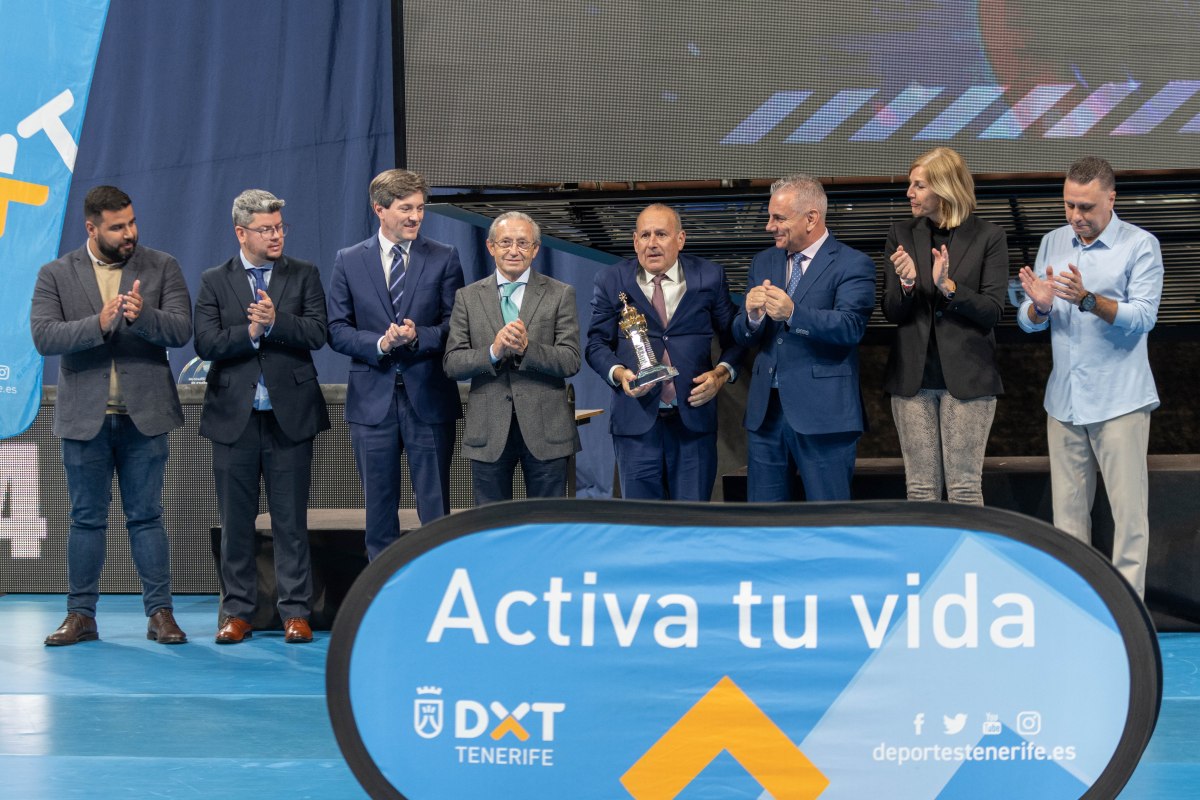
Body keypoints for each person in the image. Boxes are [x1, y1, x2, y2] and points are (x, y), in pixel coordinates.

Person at [30, 186, 191, 646]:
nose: (129, 233)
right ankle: (81, 615)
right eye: (117, 226)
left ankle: (160, 613)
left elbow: (182, 329)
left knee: (147, 517)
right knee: (85, 519)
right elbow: (44, 336)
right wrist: (98, 324)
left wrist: (144, 318)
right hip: (85, 418)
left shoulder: (162, 265)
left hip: (145, 417)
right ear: (91, 228)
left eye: (132, 223)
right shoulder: (56, 274)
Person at [1017, 156, 1162, 598]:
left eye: (1086, 207)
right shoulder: (1052, 243)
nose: (1076, 216)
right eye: (1069, 206)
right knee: (1067, 519)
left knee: (1129, 519)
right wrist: (1038, 308)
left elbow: (1144, 316)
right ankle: (1077, 607)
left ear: (1111, 200)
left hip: (1120, 401)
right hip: (1064, 402)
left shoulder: (1140, 245)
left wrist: (1087, 300)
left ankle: (1128, 614)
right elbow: (1029, 320)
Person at [193, 190, 329, 644]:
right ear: (241, 232)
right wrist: (250, 331)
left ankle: (295, 611)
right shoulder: (215, 280)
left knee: (290, 520)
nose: (276, 236)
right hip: (235, 417)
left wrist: (275, 322)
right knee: (236, 523)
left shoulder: (304, 274)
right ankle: (238, 612)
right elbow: (206, 343)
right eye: (266, 229)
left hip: (289, 417)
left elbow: (318, 333)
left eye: (280, 228)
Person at [327, 169, 464, 559]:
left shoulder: (444, 257)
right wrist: (382, 342)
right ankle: (382, 597)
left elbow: (455, 325)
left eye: (420, 208)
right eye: (406, 208)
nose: (415, 217)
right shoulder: (349, 260)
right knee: (378, 508)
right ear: (379, 209)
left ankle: (439, 588)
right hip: (372, 402)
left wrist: (418, 336)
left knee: (435, 509)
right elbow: (336, 329)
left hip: (429, 398)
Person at [585, 203, 744, 500]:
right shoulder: (611, 280)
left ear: (680, 239)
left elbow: (735, 339)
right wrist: (620, 375)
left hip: (692, 421)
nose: (652, 243)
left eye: (661, 234)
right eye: (644, 235)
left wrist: (721, 376)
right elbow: (595, 345)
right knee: (643, 524)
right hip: (636, 424)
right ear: (635, 241)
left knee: (692, 521)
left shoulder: (710, 277)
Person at [732, 174, 875, 501]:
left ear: (812, 218)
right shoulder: (763, 260)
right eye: (770, 216)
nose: (769, 226)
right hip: (765, 415)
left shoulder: (854, 263)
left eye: (779, 218)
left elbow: (851, 326)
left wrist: (794, 313)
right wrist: (752, 318)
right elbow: (742, 333)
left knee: (829, 521)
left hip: (825, 417)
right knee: (764, 525)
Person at [881, 147, 1008, 505]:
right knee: (920, 490)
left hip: (967, 379)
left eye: (919, 186)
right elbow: (891, 310)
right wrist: (907, 285)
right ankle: (924, 563)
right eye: (911, 185)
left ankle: (967, 563)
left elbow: (992, 311)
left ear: (945, 188)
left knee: (965, 489)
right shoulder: (900, 233)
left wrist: (949, 289)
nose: (910, 193)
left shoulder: (989, 237)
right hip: (913, 381)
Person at [443, 212, 580, 503]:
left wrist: (528, 349)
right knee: (492, 529)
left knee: (548, 527)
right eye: (505, 242)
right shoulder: (467, 297)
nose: (514, 251)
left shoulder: (560, 294)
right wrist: (493, 352)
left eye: (522, 243)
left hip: (547, 433)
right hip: (488, 432)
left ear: (535, 249)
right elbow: (452, 363)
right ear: (490, 247)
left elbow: (570, 360)